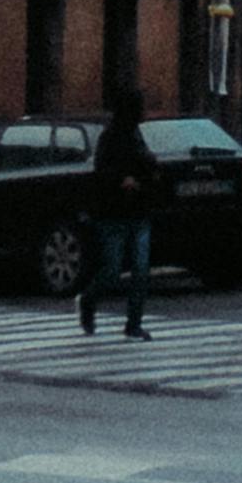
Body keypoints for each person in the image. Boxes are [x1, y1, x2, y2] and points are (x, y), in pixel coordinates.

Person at [83, 103, 160, 338]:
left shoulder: (136, 135)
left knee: (141, 270)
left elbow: (146, 162)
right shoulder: (109, 136)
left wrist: (150, 172)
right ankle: (88, 300)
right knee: (112, 270)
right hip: (112, 213)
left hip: (138, 211)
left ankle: (133, 323)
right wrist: (121, 180)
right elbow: (101, 169)